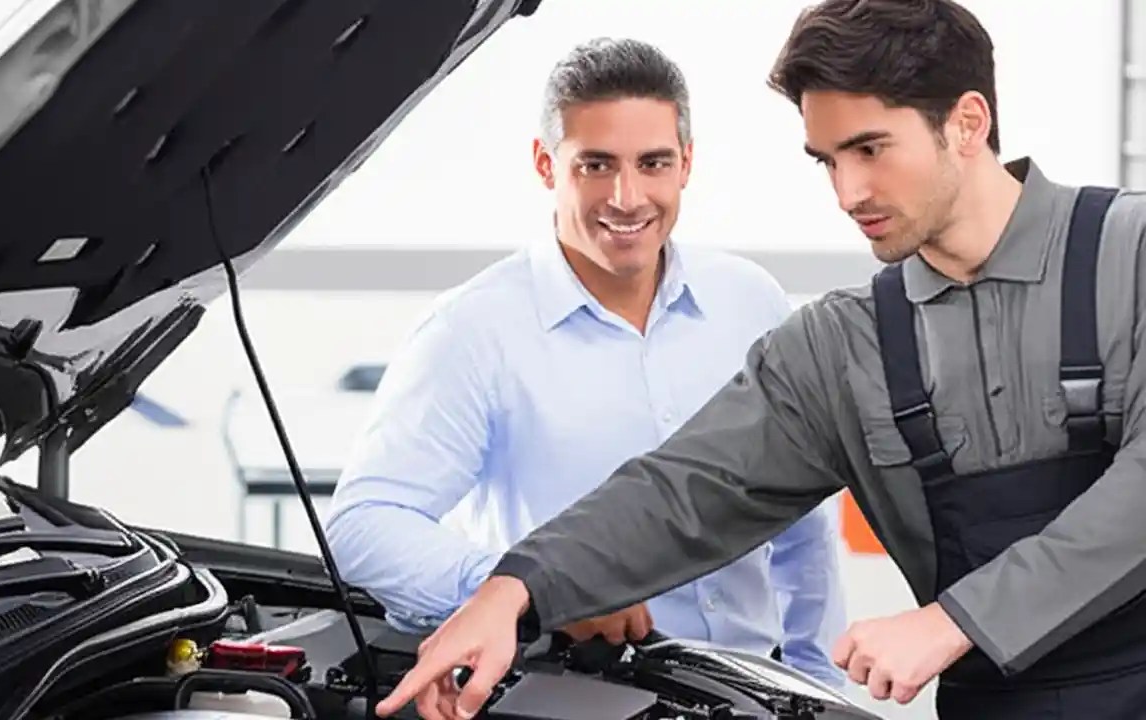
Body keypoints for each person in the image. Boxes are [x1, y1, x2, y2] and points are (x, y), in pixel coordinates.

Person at [375, 1, 1146, 719]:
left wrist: (955, 621)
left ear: (968, 122)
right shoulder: (843, 345)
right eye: (827, 161)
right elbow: (683, 490)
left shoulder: (1132, 254)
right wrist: (515, 588)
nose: (848, 192)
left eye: (870, 149)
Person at [324, 37, 847, 688]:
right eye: (596, 165)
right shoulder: (472, 330)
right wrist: (531, 590)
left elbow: (803, 529)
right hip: (569, 694)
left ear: (686, 164)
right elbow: (364, 525)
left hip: (748, 694)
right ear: (546, 164)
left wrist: (819, 686)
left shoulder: (751, 301)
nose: (627, 197)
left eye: (653, 163)